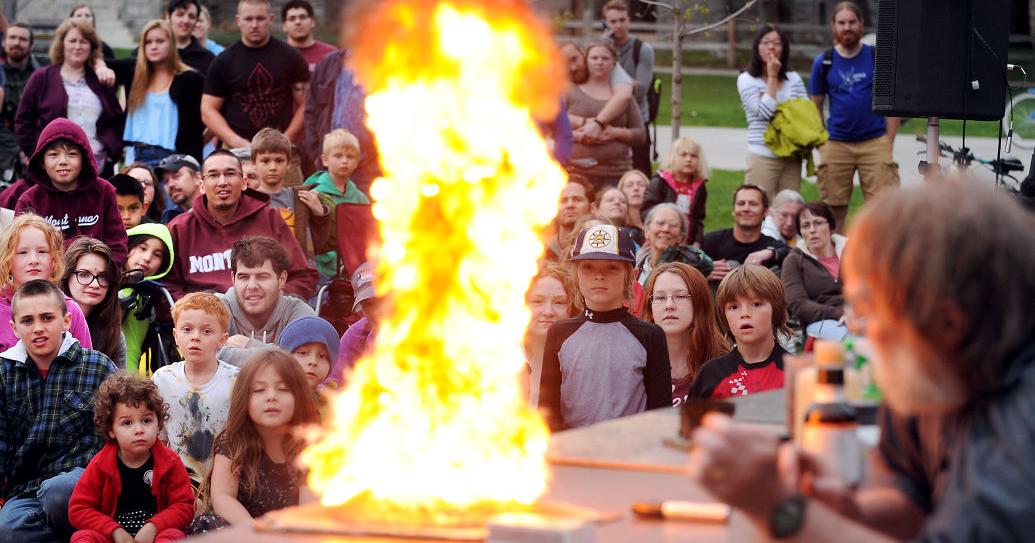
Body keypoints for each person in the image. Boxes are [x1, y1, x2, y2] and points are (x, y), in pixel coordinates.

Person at [689, 181, 1035, 542]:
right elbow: (910, 501)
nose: (857, 326)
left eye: (873, 311)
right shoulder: (933, 374)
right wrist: (846, 507)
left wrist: (779, 508)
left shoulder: (1019, 441)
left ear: (949, 322)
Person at [0, 279, 116, 542]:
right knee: (7, 529)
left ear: (66, 321)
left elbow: (120, 430)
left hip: (87, 481)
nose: (38, 328)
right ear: (14, 327)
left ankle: (93, 527)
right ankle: (82, 535)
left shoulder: (96, 366)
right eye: (27, 321)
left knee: (59, 491)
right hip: (28, 491)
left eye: (47, 318)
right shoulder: (4, 374)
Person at [538, 224, 671, 431]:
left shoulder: (650, 335)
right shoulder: (559, 333)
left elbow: (661, 413)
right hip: (573, 453)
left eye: (612, 267)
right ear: (576, 273)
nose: (599, 275)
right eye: (588, 267)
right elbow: (547, 411)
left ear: (631, 274)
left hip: (629, 454)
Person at [164, 150, 319, 300]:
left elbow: (302, 276)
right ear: (202, 186)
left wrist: (273, 302)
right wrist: (192, 308)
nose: (222, 182)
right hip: (203, 320)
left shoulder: (270, 218)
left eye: (230, 174)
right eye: (213, 175)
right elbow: (167, 285)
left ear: (244, 183)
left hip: (265, 318)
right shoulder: (180, 228)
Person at [67, 373, 194, 543]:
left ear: (159, 425)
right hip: (113, 537)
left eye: (146, 421)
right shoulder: (100, 464)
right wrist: (113, 530)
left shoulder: (170, 462)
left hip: (156, 535)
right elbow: (78, 509)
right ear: (111, 430)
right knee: (82, 538)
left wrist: (154, 526)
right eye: (127, 423)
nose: (139, 430)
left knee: (174, 536)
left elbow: (184, 506)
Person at [203, 349, 319, 529]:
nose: (271, 397)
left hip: (290, 531)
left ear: (299, 396)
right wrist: (255, 530)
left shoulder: (309, 447)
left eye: (283, 389)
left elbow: (309, 507)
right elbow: (222, 498)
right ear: (244, 398)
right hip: (242, 528)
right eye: (259, 390)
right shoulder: (231, 442)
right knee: (208, 525)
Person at [809, 1, 899, 231]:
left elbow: (892, 102)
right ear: (833, 27)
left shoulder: (877, 57)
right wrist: (822, 141)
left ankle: (881, 260)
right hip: (837, 142)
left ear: (861, 24)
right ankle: (836, 262)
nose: (847, 27)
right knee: (833, 210)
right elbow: (815, 104)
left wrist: (888, 141)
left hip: (874, 141)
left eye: (852, 22)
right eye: (841, 23)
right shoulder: (825, 61)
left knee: (883, 206)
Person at [152, 292, 240, 491]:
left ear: (223, 339)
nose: (195, 337)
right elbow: (160, 439)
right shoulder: (162, 379)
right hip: (177, 482)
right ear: (175, 336)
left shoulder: (237, 380)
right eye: (187, 329)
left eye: (207, 331)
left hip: (225, 483)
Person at [15, 19, 124, 177]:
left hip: (98, 168)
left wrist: (114, 151)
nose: (77, 46)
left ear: (91, 47)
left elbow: (117, 118)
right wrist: (37, 154)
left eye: (83, 41)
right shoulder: (42, 77)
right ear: (62, 44)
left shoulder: (100, 80)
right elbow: (23, 121)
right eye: (72, 40)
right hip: (55, 170)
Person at [13, 118, 128, 263]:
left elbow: (117, 246)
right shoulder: (29, 200)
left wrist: (104, 277)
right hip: (48, 281)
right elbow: (21, 253)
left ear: (84, 158)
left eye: (72, 154)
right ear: (42, 162)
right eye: (53, 154)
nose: (63, 161)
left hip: (97, 278)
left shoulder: (105, 192)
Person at [201, 0, 310, 148]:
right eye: (248, 19)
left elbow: (306, 104)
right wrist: (235, 141)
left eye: (260, 18)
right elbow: (208, 109)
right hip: (235, 151)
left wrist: (286, 139)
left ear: (270, 20)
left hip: (282, 151)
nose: (254, 25)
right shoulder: (223, 61)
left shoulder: (291, 57)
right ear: (238, 20)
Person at [689, 264, 790, 399]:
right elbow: (690, 420)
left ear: (776, 309)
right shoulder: (710, 374)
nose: (744, 314)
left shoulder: (798, 373)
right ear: (723, 315)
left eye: (756, 304)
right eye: (734, 307)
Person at [117, 19, 205, 165]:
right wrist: (100, 66)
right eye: (148, 42)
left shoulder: (189, 79)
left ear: (171, 44)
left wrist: (198, 147)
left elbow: (212, 111)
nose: (153, 46)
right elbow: (94, 63)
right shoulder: (133, 74)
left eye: (160, 41)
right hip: (137, 156)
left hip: (173, 159)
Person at [217, 236, 316, 367]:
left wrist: (247, 344)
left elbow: (304, 364)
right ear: (233, 279)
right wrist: (281, 356)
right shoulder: (216, 309)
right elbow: (203, 356)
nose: (252, 286)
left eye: (262, 277)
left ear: (281, 279)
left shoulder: (299, 314)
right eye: (244, 277)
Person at [0, 214, 93, 351]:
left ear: (54, 259)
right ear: (7, 260)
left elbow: (87, 365)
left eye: (42, 251)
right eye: (22, 252)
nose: (33, 260)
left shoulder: (70, 309)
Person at [641, 262, 729, 406]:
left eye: (680, 296)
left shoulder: (725, 365)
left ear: (699, 303)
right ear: (650, 310)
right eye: (660, 298)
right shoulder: (636, 364)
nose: (669, 305)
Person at [738, 25, 808, 196]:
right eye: (766, 42)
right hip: (762, 155)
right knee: (758, 209)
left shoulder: (794, 79)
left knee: (789, 210)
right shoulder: (746, 80)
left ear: (784, 49)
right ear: (757, 47)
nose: (771, 47)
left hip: (791, 155)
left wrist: (769, 97)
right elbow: (766, 113)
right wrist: (772, 77)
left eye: (777, 43)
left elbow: (805, 114)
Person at [565, 41, 645, 189]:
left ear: (614, 62)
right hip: (575, 173)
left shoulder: (624, 95)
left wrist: (615, 133)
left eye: (605, 58)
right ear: (586, 60)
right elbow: (551, 128)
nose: (599, 62)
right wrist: (581, 134)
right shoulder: (570, 91)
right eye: (594, 58)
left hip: (616, 173)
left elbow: (640, 135)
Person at [304, 49, 380, 193]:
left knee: (368, 211)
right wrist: (316, 151)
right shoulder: (329, 64)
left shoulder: (389, 61)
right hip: (331, 165)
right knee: (332, 212)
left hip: (371, 166)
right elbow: (311, 109)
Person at [302, 128, 372, 278]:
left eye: (350, 156)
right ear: (325, 159)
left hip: (356, 266)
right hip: (322, 265)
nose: (344, 160)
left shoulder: (361, 198)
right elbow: (309, 234)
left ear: (357, 162)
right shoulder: (314, 192)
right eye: (338, 156)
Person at [251, 128, 332, 253]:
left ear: (289, 163)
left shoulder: (300, 199)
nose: (272, 167)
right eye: (265, 161)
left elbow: (319, 244)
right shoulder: (248, 201)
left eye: (279, 160)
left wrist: (320, 214)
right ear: (254, 164)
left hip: (299, 268)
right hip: (261, 269)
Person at [781, 202, 847, 341]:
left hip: (859, 314)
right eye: (806, 225)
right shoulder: (794, 260)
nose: (812, 230)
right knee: (851, 339)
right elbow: (798, 304)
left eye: (818, 223)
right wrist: (838, 314)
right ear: (800, 231)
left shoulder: (852, 251)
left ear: (830, 226)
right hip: (822, 321)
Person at [602, 0, 654, 176]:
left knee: (640, 172)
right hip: (608, 117)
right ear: (605, 23)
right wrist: (606, 48)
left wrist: (612, 67)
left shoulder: (642, 49)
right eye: (613, 21)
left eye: (622, 20)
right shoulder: (600, 49)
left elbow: (639, 92)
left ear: (629, 20)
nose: (618, 25)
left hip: (637, 119)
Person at [701, 184, 789, 284]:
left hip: (757, 297)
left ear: (765, 212)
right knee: (730, 266)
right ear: (733, 210)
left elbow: (795, 255)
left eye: (753, 204)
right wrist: (704, 276)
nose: (746, 208)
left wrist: (771, 252)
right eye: (741, 203)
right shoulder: (711, 241)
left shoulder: (770, 246)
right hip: (718, 297)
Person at [61, 237, 125, 368]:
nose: (95, 284)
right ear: (67, 276)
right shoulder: (50, 321)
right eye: (84, 274)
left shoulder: (113, 332)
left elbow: (119, 384)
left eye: (103, 276)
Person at [121, 223, 175, 375]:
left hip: (134, 377)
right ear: (128, 247)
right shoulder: (106, 286)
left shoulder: (155, 295)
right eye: (142, 248)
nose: (147, 258)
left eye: (157, 255)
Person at [640, 137, 710, 245]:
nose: (688, 159)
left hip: (687, 242)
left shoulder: (700, 186)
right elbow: (646, 212)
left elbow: (699, 218)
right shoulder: (660, 181)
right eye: (683, 155)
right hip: (659, 239)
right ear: (673, 157)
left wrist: (697, 241)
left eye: (693, 156)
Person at [524, 263, 576, 406]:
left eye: (559, 302)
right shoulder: (499, 358)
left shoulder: (578, 360)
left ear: (571, 308)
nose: (548, 311)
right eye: (538, 302)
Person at [635, 203, 712, 287]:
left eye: (673, 225)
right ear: (646, 231)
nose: (666, 229)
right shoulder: (637, 263)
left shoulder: (687, 268)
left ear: (681, 236)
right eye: (660, 223)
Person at [277, 316, 340, 418]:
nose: (313, 362)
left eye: (322, 356)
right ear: (284, 358)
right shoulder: (272, 397)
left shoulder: (333, 404)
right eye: (303, 353)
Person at [0, 23, 43, 175]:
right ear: (4, 42)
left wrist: (32, 148)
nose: (17, 43)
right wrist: (18, 150)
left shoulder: (44, 73)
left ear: (31, 46)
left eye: (22, 39)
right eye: (12, 37)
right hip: (5, 147)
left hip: (38, 146)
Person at [330, 261, 378, 386]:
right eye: (367, 305)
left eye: (380, 300)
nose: (376, 311)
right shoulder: (356, 334)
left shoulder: (425, 326)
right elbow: (333, 382)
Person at [544, 175, 595, 262]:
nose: (570, 205)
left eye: (577, 200)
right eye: (563, 201)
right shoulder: (539, 250)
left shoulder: (600, 248)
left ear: (592, 207)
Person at [282, 0, 336, 72]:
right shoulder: (275, 54)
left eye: (302, 17)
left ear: (313, 22)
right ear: (284, 26)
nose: (298, 22)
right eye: (292, 19)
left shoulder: (331, 54)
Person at [165, 0, 214, 75]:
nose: (186, 21)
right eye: (180, 15)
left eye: (191, 16)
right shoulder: (154, 53)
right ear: (168, 17)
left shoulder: (208, 59)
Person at [153, 153, 201, 224]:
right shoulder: (169, 217)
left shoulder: (217, 209)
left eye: (176, 176)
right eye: (165, 181)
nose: (170, 185)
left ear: (197, 177)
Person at [617, 169, 648, 244]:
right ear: (621, 191)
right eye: (629, 185)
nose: (636, 188)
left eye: (641, 185)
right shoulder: (618, 225)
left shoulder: (656, 222)